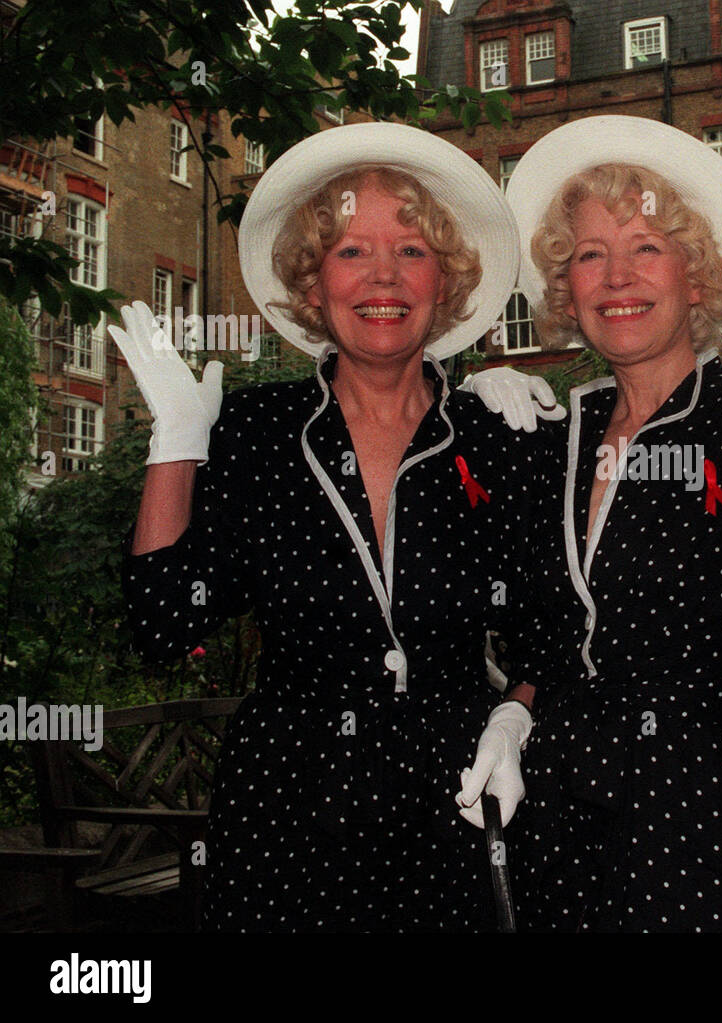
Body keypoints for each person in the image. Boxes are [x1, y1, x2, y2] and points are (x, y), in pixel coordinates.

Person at [116, 122, 557, 931]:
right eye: (351, 251)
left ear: (446, 281)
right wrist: (177, 441)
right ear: (312, 283)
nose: (383, 276)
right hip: (285, 814)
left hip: (451, 807)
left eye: (411, 251)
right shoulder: (256, 432)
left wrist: (515, 711)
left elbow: (552, 636)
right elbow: (161, 622)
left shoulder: (493, 440)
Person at [498, 115, 722, 932]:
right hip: (554, 824)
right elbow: (549, 639)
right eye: (591, 253)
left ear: (697, 278)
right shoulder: (556, 439)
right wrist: (514, 708)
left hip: (700, 828)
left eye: (646, 248)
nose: (616, 275)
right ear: (566, 286)